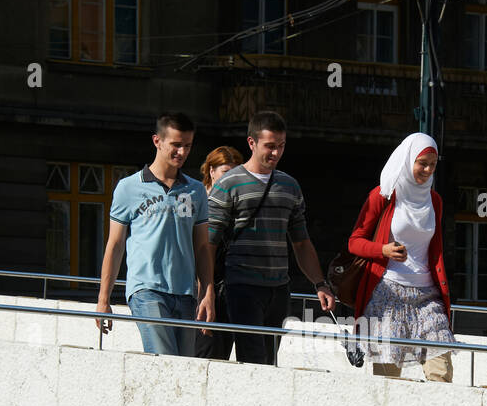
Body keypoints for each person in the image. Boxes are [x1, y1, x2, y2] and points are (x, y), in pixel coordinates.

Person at [206, 111, 333, 365]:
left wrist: (320, 283)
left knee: (268, 361)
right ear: (252, 143)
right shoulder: (228, 184)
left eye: (281, 146)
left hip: (278, 288)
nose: (275, 153)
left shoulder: (290, 187)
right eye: (270, 146)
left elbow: (301, 242)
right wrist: (206, 291)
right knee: (253, 359)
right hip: (241, 285)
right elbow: (208, 244)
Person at [97, 112, 213, 357]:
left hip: (185, 293)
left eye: (188, 146)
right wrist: (103, 299)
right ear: (157, 141)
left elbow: (202, 247)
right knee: (165, 362)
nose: (182, 152)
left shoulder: (196, 190)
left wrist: (207, 292)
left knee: (184, 369)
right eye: (176, 145)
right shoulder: (129, 187)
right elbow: (115, 245)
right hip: (146, 290)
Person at [347, 132, 456, 382]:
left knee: (441, 372)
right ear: (408, 161)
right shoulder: (384, 195)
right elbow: (354, 242)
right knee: (388, 381)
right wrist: (382, 250)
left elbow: (435, 249)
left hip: (427, 296)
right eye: (422, 163)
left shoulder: (435, 201)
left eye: (433, 164)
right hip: (388, 293)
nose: (428, 169)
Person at [194, 145, 244, 361]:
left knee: (222, 355)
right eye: (226, 172)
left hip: (228, 289)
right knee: (203, 353)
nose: (230, 179)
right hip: (200, 288)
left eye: (235, 173)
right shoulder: (197, 200)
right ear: (211, 171)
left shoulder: (237, 204)